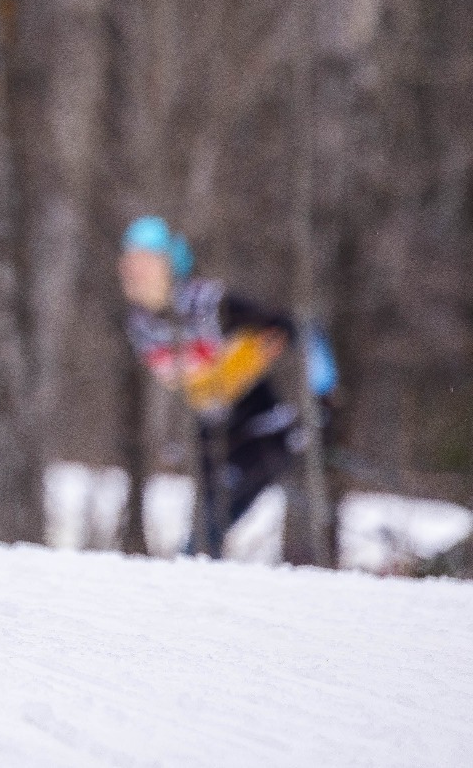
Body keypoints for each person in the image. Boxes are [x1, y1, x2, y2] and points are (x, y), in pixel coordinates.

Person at [116, 216, 331, 555]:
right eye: (128, 260)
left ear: (170, 264)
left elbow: (300, 329)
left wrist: (324, 395)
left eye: (145, 260)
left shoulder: (210, 304)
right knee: (203, 538)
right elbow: (191, 386)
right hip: (212, 433)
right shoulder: (138, 323)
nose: (133, 270)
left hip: (263, 431)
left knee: (206, 535)